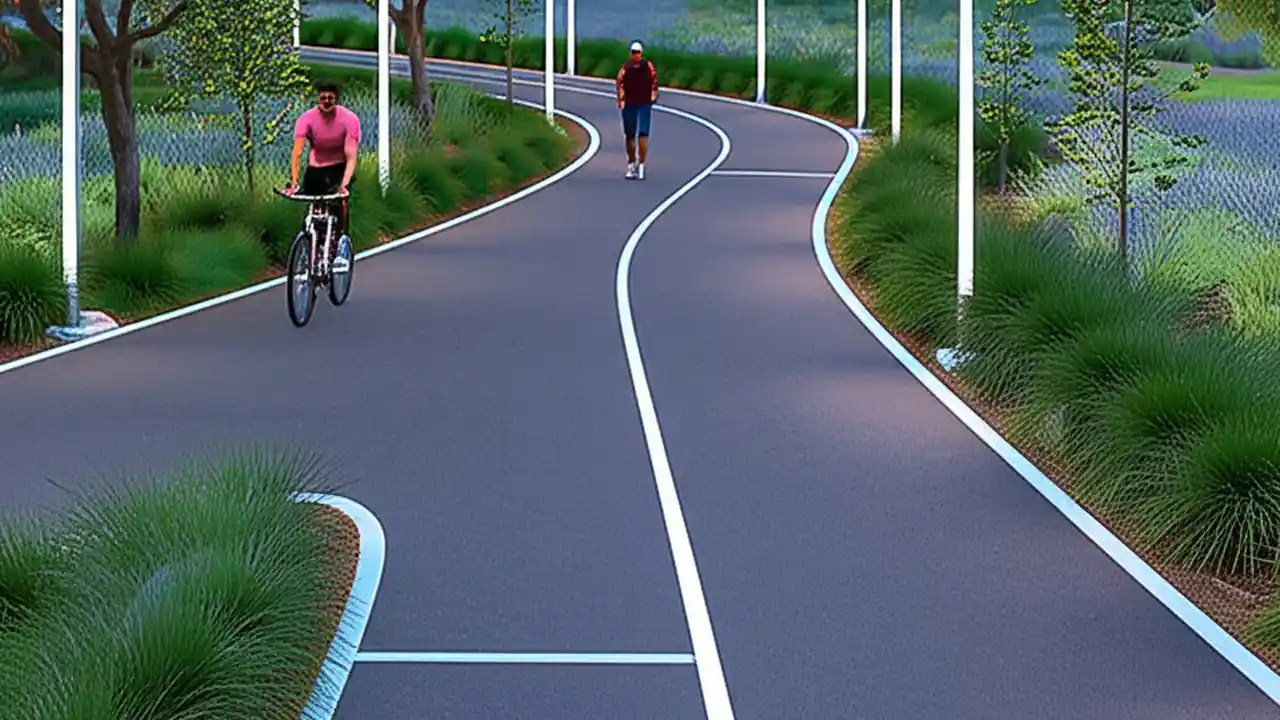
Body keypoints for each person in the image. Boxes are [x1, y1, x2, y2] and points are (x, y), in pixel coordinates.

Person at [287, 82, 361, 269]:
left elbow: (351, 155)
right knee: (314, 204)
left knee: (339, 201)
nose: (326, 102)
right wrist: (294, 182)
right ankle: (309, 244)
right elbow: (297, 152)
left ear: (336, 100)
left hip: (339, 168)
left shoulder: (349, 119)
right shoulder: (307, 119)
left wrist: (344, 184)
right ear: (318, 99)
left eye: (330, 98)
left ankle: (340, 245)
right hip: (316, 169)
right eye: (322, 98)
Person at [616, 41, 657, 180]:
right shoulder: (626, 67)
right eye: (633, 52)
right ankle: (631, 163)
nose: (636, 55)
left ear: (642, 53)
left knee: (643, 133)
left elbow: (654, 82)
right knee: (630, 135)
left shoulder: (648, 66)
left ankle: (641, 164)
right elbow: (619, 82)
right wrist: (621, 101)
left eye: (637, 52)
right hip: (630, 103)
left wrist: (652, 98)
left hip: (644, 103)